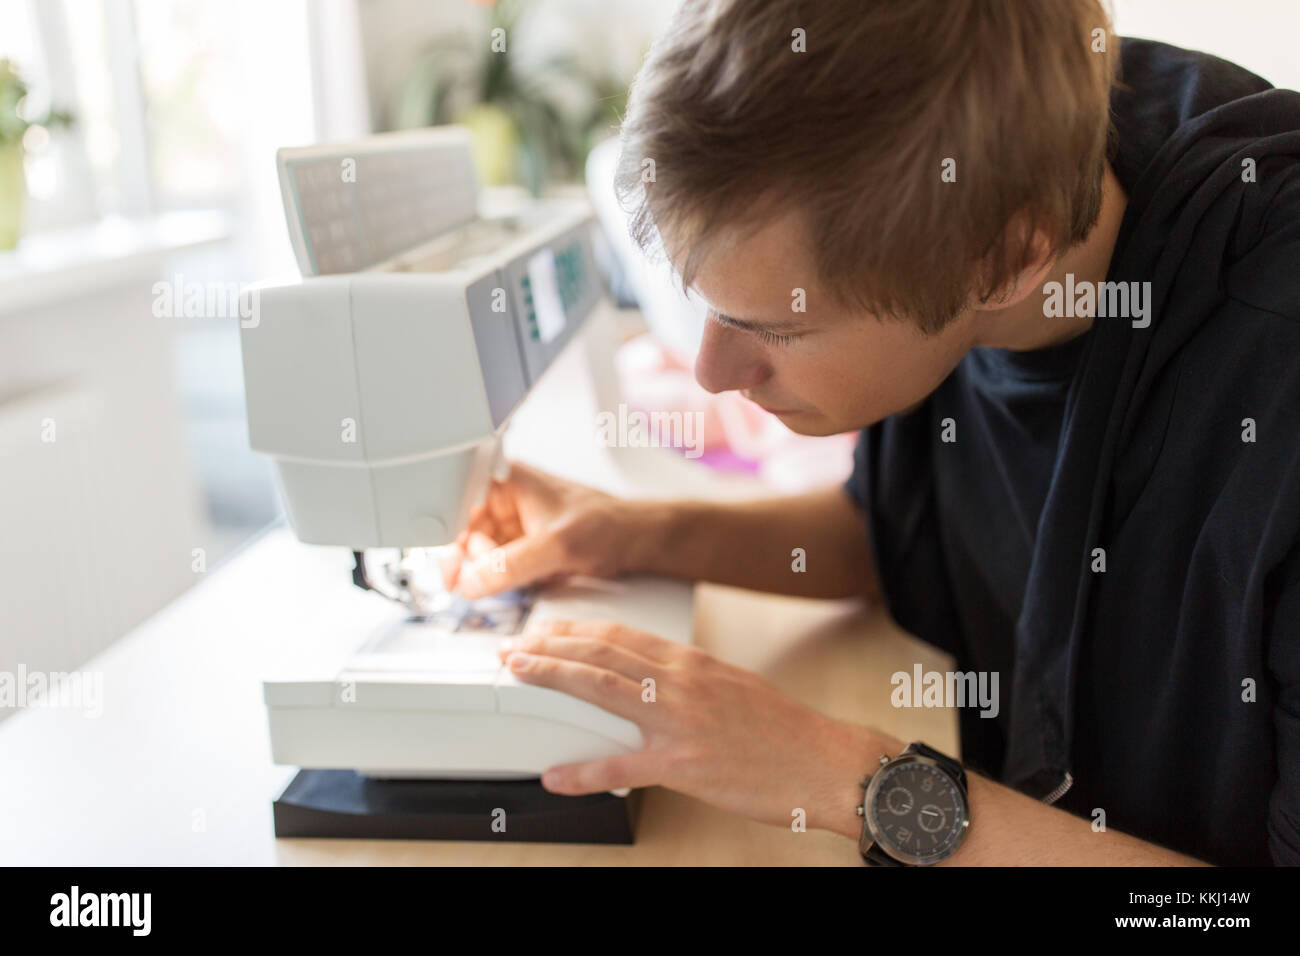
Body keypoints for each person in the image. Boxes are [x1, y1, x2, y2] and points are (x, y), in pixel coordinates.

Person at [442, 0, 1300, 865]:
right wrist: (630, 535)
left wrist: (843, 776)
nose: (711, 370)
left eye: (775, 327)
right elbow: (902, 534)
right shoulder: (982, 164)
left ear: (1005, 260)